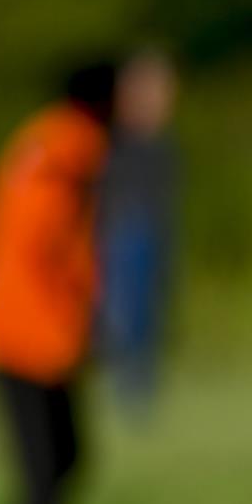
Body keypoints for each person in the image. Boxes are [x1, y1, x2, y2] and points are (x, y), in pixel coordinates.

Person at [0, 63, 114, 504]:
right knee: (44, 470)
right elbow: (35, 246)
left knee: (66, 460)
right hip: (25, 337)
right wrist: (68, 321)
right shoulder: (65, 151)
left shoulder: (53, 143)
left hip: (33, 331)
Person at [97, 48, 178, 423]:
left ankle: (141, 393)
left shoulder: (161, 144)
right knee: (123, 318)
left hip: (151, 234)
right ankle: (126, 391)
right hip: (120, 235)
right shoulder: (114, 139)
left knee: (149, 316)